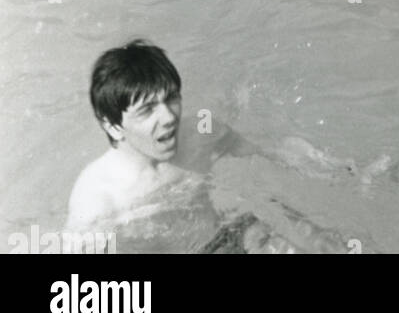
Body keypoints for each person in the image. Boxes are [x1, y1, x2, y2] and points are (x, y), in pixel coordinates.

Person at [65, 40, 357, 253]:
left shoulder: (199, 135)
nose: (168, 117)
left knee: (326, 245)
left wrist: (336, 169)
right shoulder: (98, 200)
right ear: (112, 125)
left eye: (172, 99)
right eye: (147, 110)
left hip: (229, 236)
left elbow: (267, 151)